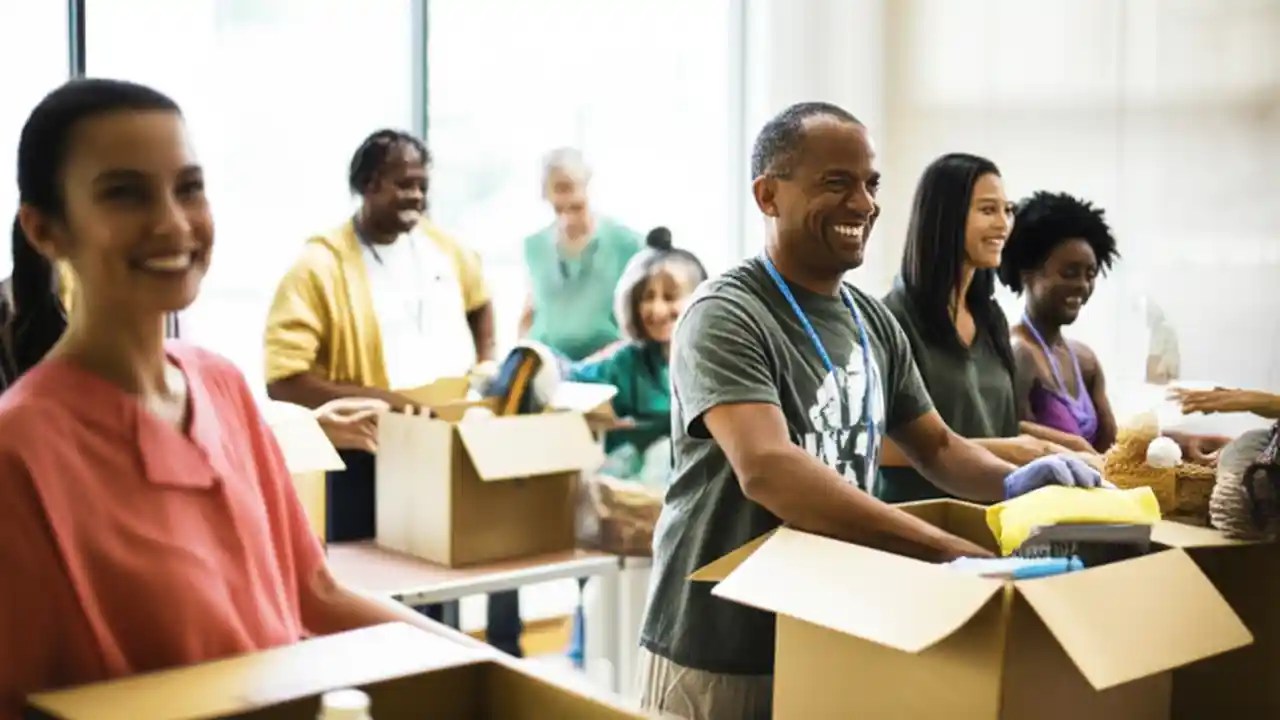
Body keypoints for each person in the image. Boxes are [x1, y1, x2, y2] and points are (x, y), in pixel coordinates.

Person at [0, 78, 469, 719]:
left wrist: (489, 668)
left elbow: (313, 591)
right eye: (124, 194)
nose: (171, 222)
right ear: (45, 230)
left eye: (188, 188)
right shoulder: (20, 448)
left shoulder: (219, 385)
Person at [637, 102, 1102, 720]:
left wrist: (1017, 485)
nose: (863, 204)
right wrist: (943, 549)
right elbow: (768, 468)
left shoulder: (870, 320)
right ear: (768, 194)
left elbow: (936, 447)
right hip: (720, 644)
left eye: (871, 184)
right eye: (837, 182)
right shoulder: (726, 313)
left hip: (829, 629)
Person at [263, 129, 494, 542]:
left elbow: (480, 300)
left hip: (446, 444)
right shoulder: (318, 266)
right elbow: (284, 381)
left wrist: (486, 361)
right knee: (377, 586)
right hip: (367, 457)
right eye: (404, 184)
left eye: (423, 185)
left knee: (445, 585)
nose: (417, 197)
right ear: (368, 185)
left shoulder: (444, 247)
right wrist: (388, 405)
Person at [878, 153, 1086, 503]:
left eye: (1008, 209)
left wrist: (1065, 446)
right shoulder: (890, 321)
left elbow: (993, 427)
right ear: (945, 218)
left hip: (997, 513)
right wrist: (1013, 451)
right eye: (988, 210)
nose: (1004, 224)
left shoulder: (990, 319)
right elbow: (881, 446)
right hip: (926, 518)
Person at [569, 225, 707, 479]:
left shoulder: (715, 362)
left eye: (670, 297)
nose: (657, 310)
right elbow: (569, 377)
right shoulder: (627, 360)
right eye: (647, 297)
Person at [998, 191, 1121, 453]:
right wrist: (1075, 447)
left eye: (1090, 274)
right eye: (1069, 273)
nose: (1082, 285)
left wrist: (1174, 441)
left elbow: (1114, 446)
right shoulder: (1018, 352)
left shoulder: (1086, 360)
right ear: (1027, 274)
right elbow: (1007, 434)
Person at [519, 148, 642, 361]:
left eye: (571, 187)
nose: (567, 198)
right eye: (557, 189)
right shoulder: (534, 246)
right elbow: (530, 311)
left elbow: (642, 318)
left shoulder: (628, 243)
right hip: (548, 367)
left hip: (610, 365)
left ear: (587, 185)